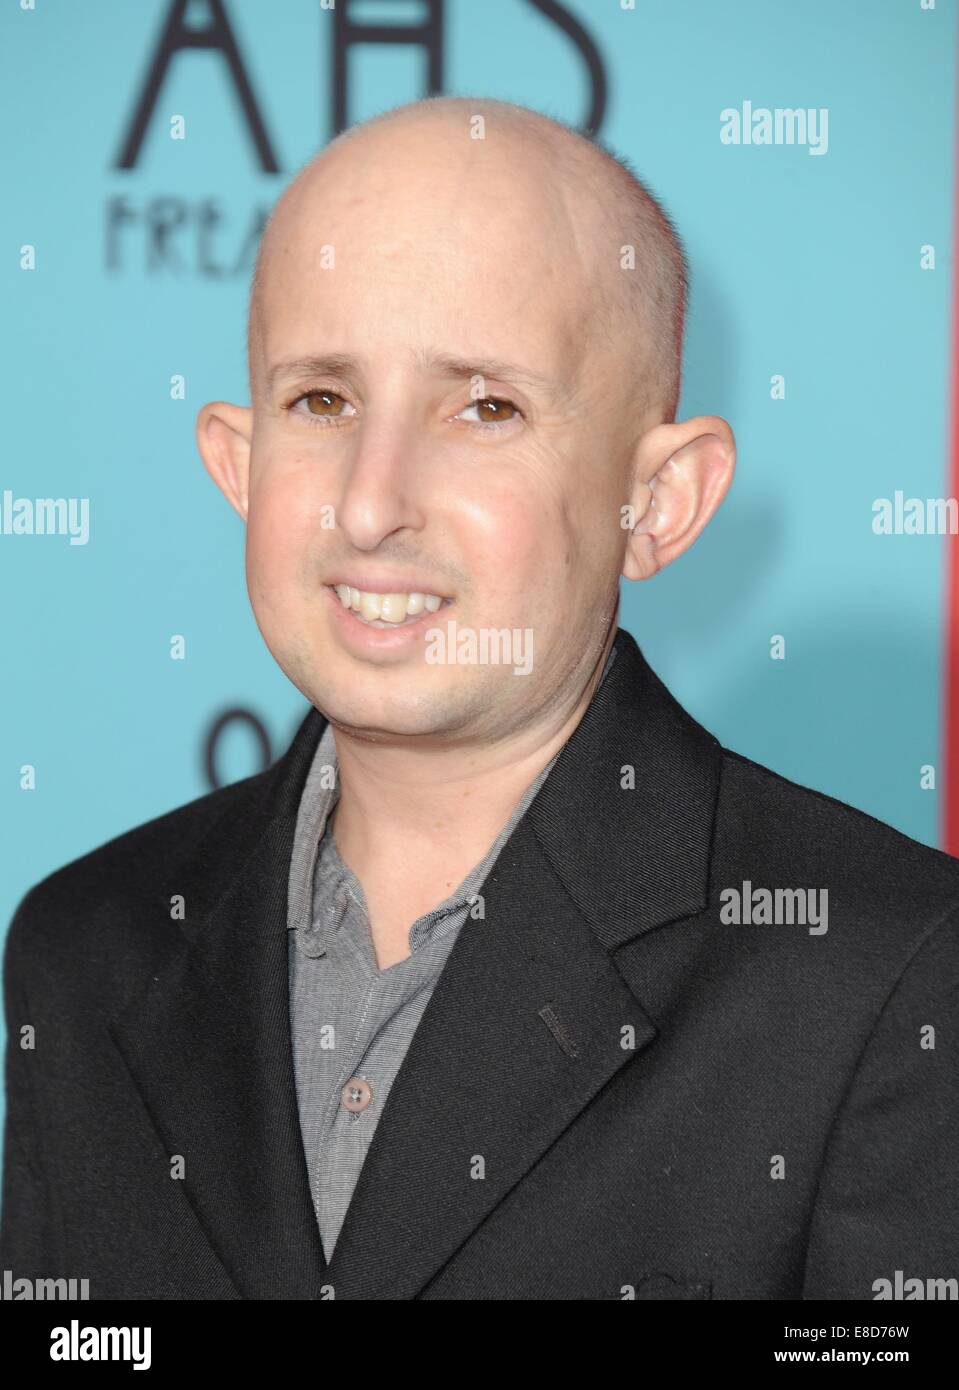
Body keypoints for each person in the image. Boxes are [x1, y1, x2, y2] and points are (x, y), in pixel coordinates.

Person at [2, 96, 957, 1301]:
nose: (370, 502)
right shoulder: (88, 944)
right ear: (235, 466)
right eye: (322, 401)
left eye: (484, 406)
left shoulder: (887, 973)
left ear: (655, 501)